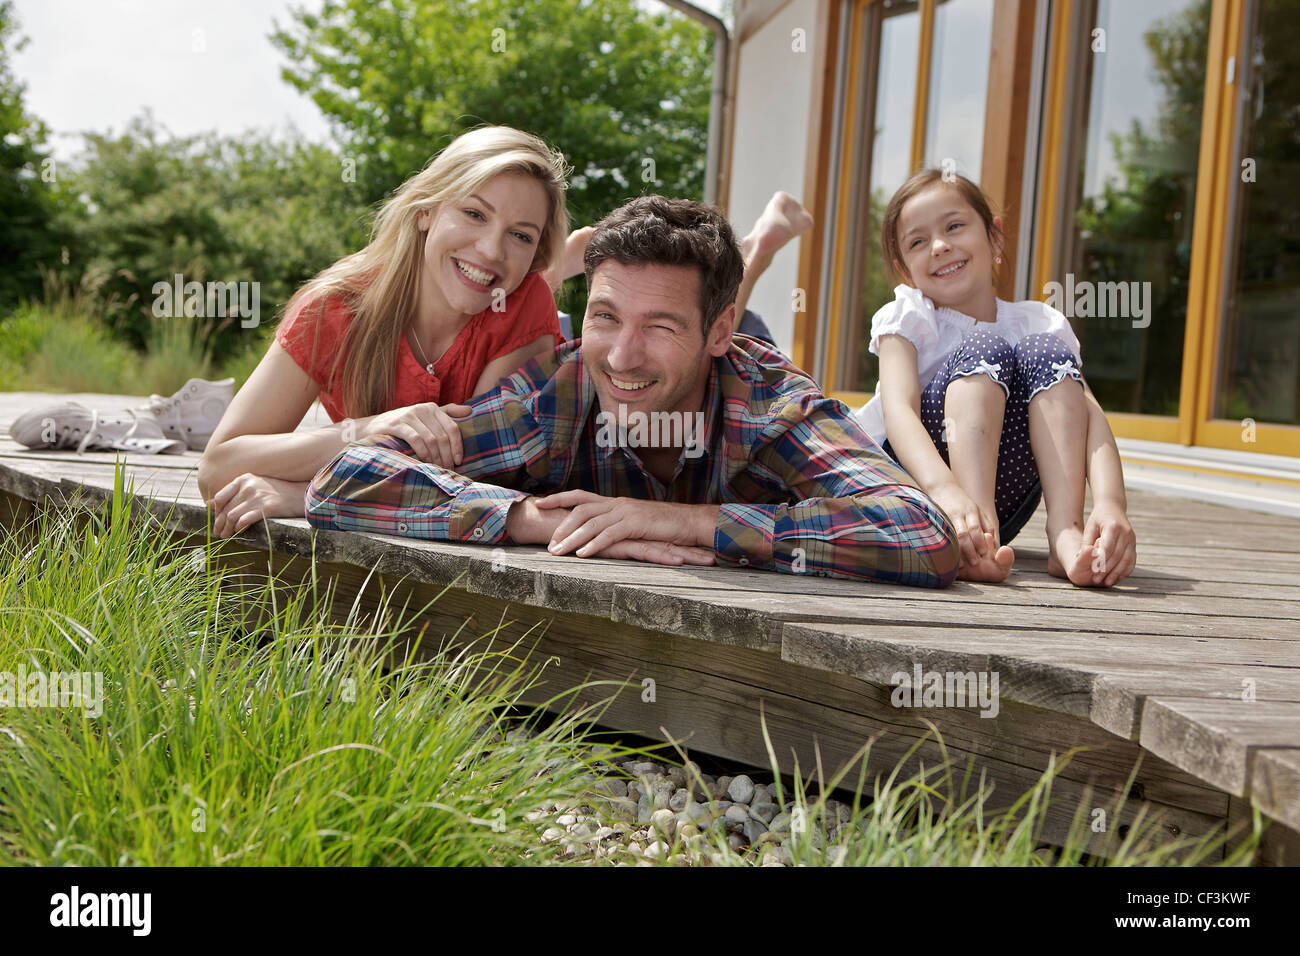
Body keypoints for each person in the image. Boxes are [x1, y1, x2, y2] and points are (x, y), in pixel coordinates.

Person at [198, 121, 813, 539]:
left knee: (693, 327)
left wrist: (297, 491)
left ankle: (750, 250)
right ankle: (740, 254)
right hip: (613, 356)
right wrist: (360, 433)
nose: (492, 251)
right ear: (422, 213)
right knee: (659, 324)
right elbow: (220, 464)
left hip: (640, 364)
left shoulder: (520, 306)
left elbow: (488, 474)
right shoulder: (336, 307)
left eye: (520, 235)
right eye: (473, 213)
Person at [304, 195, 960, 587]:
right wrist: (533, 521)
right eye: (605, 317)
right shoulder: (558, 391)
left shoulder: (770, 403)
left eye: (660, 326)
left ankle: (756, 245)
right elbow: (345, 480)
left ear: (718, 330)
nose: (620, 356)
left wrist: (685, 524)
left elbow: (921, 533)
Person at [854, 168, 1136, 586]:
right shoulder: (909, 316)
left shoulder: (1039, 321)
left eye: (954, 226)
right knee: (985, 344)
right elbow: (899, 413)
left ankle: (1064, 531)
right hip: (916, 491)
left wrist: (1112, 505)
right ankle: (971, 531)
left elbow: (1089, 417)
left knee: (1046, 352)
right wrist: (946, 492)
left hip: (1009, 497)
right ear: (903, 268)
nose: (940, 246)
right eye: (918, 241)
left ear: (995, 236)